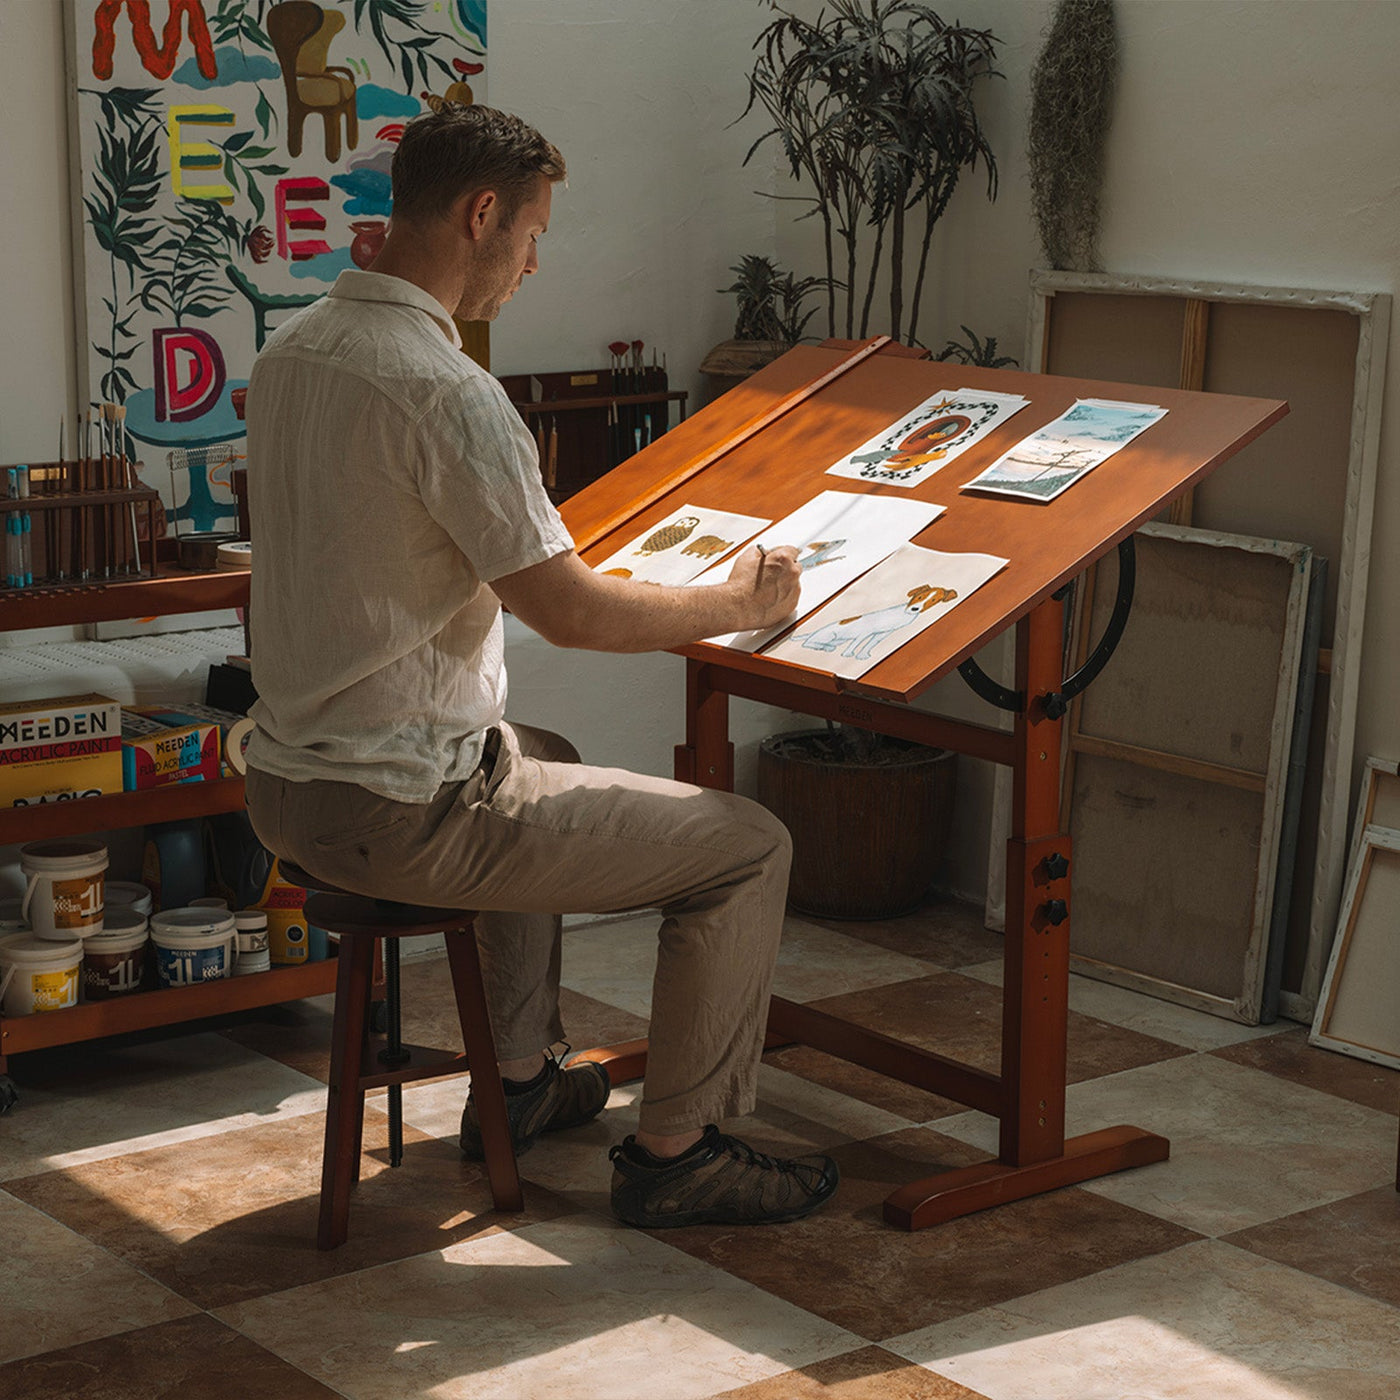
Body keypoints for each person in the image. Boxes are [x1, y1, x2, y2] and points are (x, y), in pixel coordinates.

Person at [242, 104, 839, 1229]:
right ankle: (678, 1148)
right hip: (399, 805)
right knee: (749, 844)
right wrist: (741, 603)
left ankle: (517, 1084)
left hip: (286, 784)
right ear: (480, 214)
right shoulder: (447, 389)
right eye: (532, 233)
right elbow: (567, 612)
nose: (531, 261)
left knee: (541, 751)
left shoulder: (293, 350)